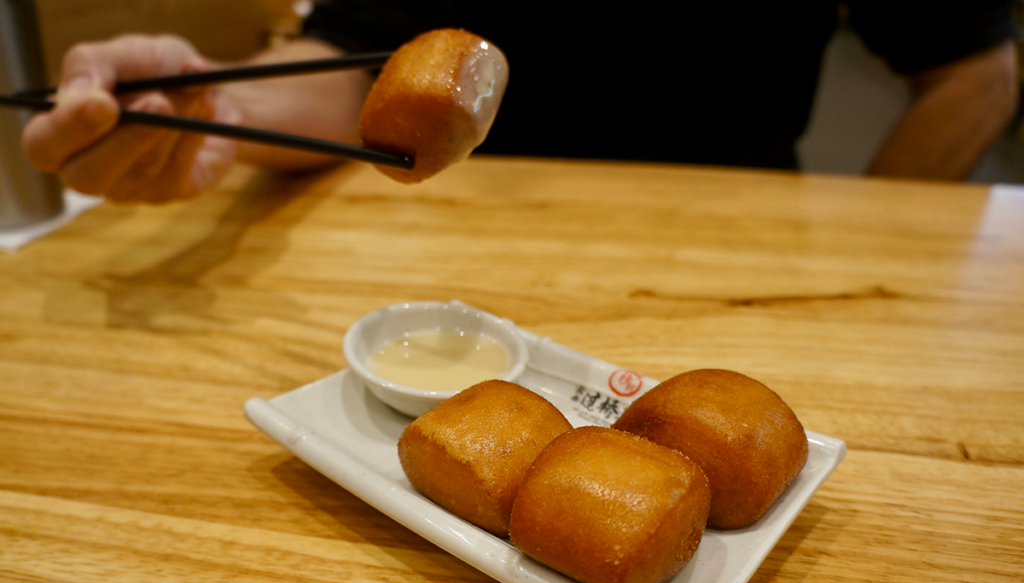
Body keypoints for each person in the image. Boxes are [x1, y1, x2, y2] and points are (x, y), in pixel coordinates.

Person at [20, 1, 1021, 204]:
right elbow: (349, 65)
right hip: (473, 250)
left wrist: (867, 240)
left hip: (742, 240)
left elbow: (974, 71)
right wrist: (216, 110)